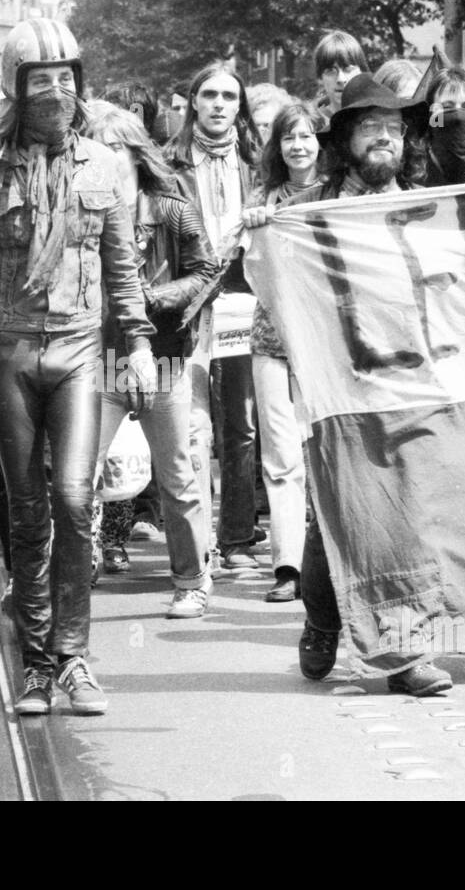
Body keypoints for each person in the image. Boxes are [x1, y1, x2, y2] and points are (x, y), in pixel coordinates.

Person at [0, 18, 157, 715]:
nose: (57, 93)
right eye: (42, 81)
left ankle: (74, 657)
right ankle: (36, 664)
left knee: (72, 497)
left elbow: (122, 265)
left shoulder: (104, 164)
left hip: (77, 349)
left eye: (67, 79)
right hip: (7, 348)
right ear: (17, 88)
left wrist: (138, 344)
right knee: (27, 509)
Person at [261, 74, 454, 697]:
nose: (385, 138)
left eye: (394, 128)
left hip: (410, 382)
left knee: (406, 516)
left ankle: (404, 655)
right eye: (371, 127)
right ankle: (323, 619)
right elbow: (270, 286)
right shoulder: (307, 211)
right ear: (345, 140)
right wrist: (263, 234)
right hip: (336, 385)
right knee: (337, 513)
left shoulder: (426, 207)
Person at [86, 101, 217, 617]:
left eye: (115, 147)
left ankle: (192, 580)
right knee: (80, 474)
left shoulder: (172, 208)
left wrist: (156, 298)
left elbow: (207, 272)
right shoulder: (84, 209)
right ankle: (74, 568)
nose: (105, 157)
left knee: (177, 477)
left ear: (137, 154)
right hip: (102, 359)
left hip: (162, 358)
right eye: (96, 148)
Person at [166, 63, 263, 573]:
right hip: (189, 301)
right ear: (194, 102)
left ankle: (238, 538)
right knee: (192, 423)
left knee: (241, 424)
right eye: (209, 95)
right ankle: (196, 539)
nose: (219, 104)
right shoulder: (170, 163)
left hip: (241, 297)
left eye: (229, 96)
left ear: (239, 105)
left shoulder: (256, 164)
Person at [240, 103, 325, 604]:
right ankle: (288, 565)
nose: (298, 146)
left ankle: (328, 560)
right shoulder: (263, 197)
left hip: (323, 340)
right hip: (271, 338)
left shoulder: (338, 193)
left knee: (323, 452)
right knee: (280, 456)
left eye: (307, 135)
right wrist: (252, 224)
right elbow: (241, 257)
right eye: (289, 137)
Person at [313, 30, 369, 120]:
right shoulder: (311, 124)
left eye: (348, 69)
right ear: (320, 78)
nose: (341, 79)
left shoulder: (379, 119)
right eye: (331, 71)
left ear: (362, 73)